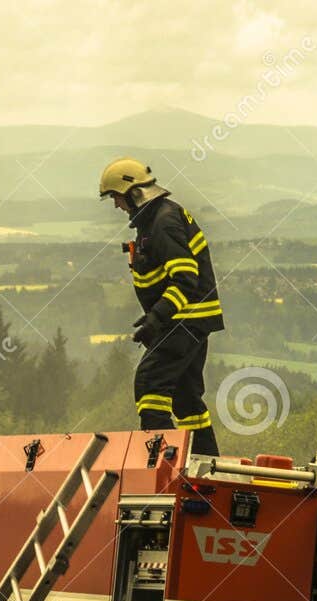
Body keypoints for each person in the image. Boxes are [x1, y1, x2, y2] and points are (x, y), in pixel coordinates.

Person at [99, 157, 223, 456]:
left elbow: (185, 279)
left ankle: (168, 464)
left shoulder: (162, 222)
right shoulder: (155, 220)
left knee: (149, 386)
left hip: (182, 322)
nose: (116, 206)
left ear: (132, 192)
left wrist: (157, 318)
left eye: (116, 197)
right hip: (189, 322)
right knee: (186, 399)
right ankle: (206, 464)